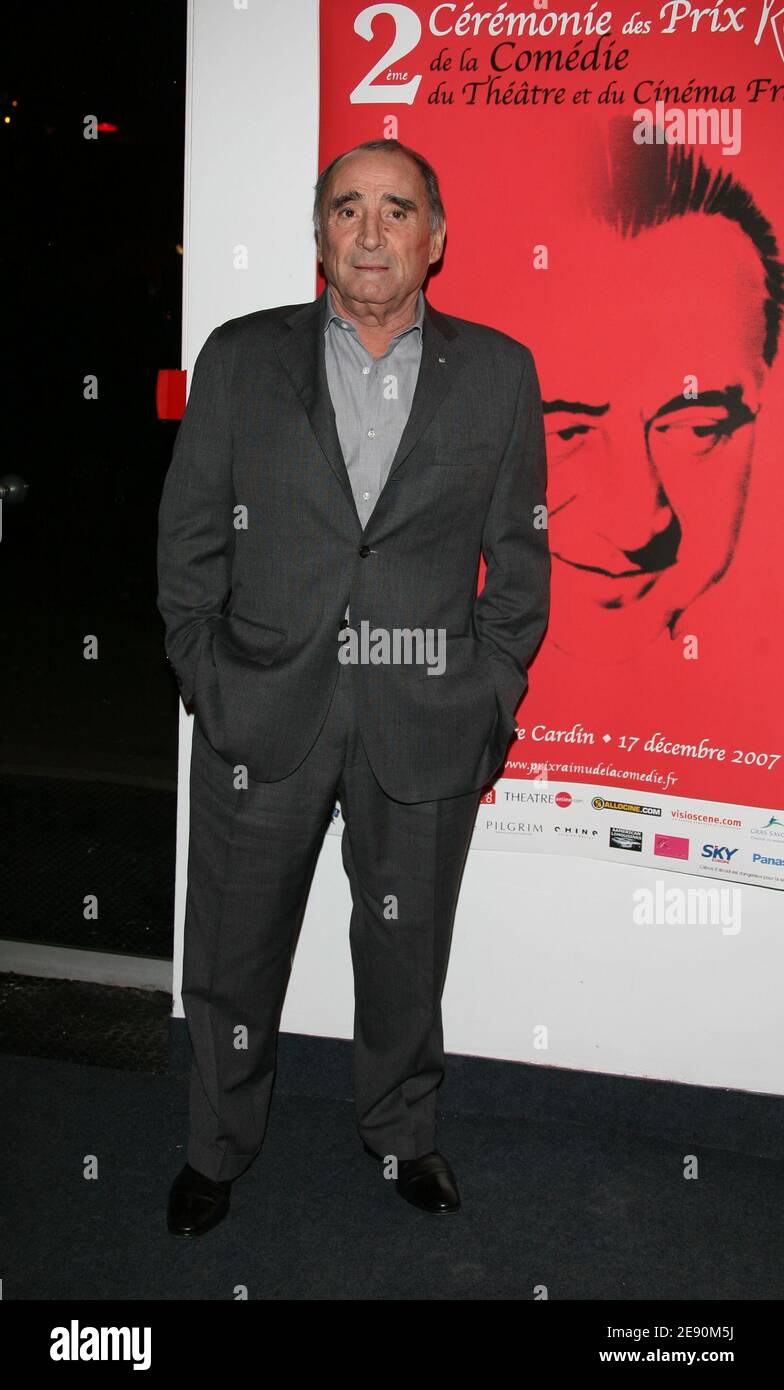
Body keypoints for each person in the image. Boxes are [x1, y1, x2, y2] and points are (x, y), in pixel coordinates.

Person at [156, 138, 550, 1236]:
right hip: (259, 714)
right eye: (346, 209)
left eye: (395, 209)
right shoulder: (238, 358)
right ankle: (215, 1147)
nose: (369, 233)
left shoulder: (499, 370)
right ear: (319, 231)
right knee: (232, 957)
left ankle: (401, 1135)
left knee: (404, 954)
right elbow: (188, 542)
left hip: (422, 718)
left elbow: (518, 562)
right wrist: (208, 678)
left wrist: (488, 692)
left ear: (435, 235)